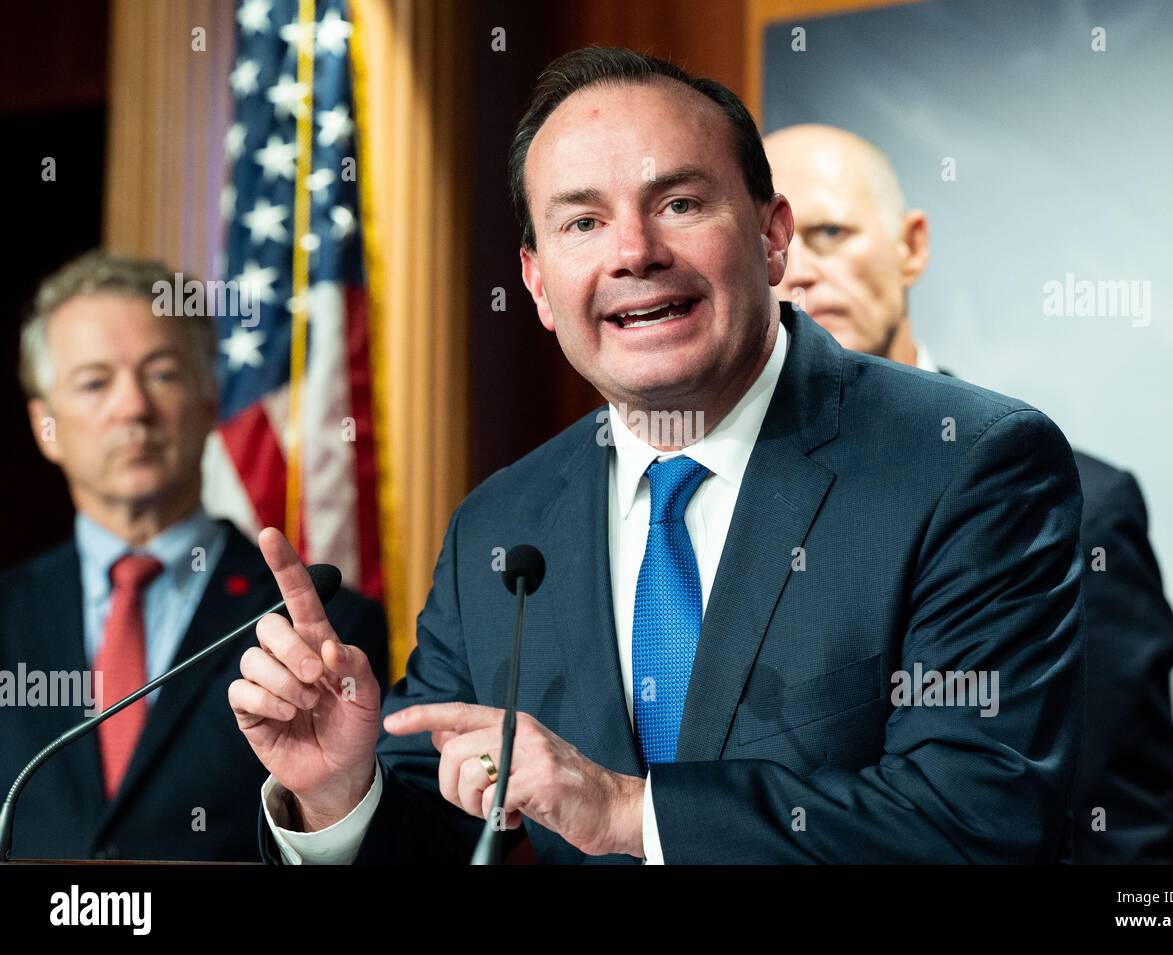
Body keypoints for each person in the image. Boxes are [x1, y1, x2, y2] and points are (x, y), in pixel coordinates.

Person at [233, 47, 1085, 864]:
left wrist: (628, 814)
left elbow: (977, 821)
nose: (634, 251)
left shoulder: (967, 466)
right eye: (583, 221)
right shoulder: (501, 525)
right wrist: (341, 795)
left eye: (679, 203)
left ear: (773, 236)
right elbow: (451, 836)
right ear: (536, 283)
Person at [766, 122, 1173, 864]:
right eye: (769, 246)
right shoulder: (703, 509)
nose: (798, 270)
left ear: (912, 245)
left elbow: (1131, 839)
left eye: (832, 232)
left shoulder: (1075, 505)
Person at [0, 251, 388, 861]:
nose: (133, 409)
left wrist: (328, 803)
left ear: (210, 401)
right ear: (44, 426)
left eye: (161, 373)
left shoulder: (325, 629)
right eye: (95, 382)